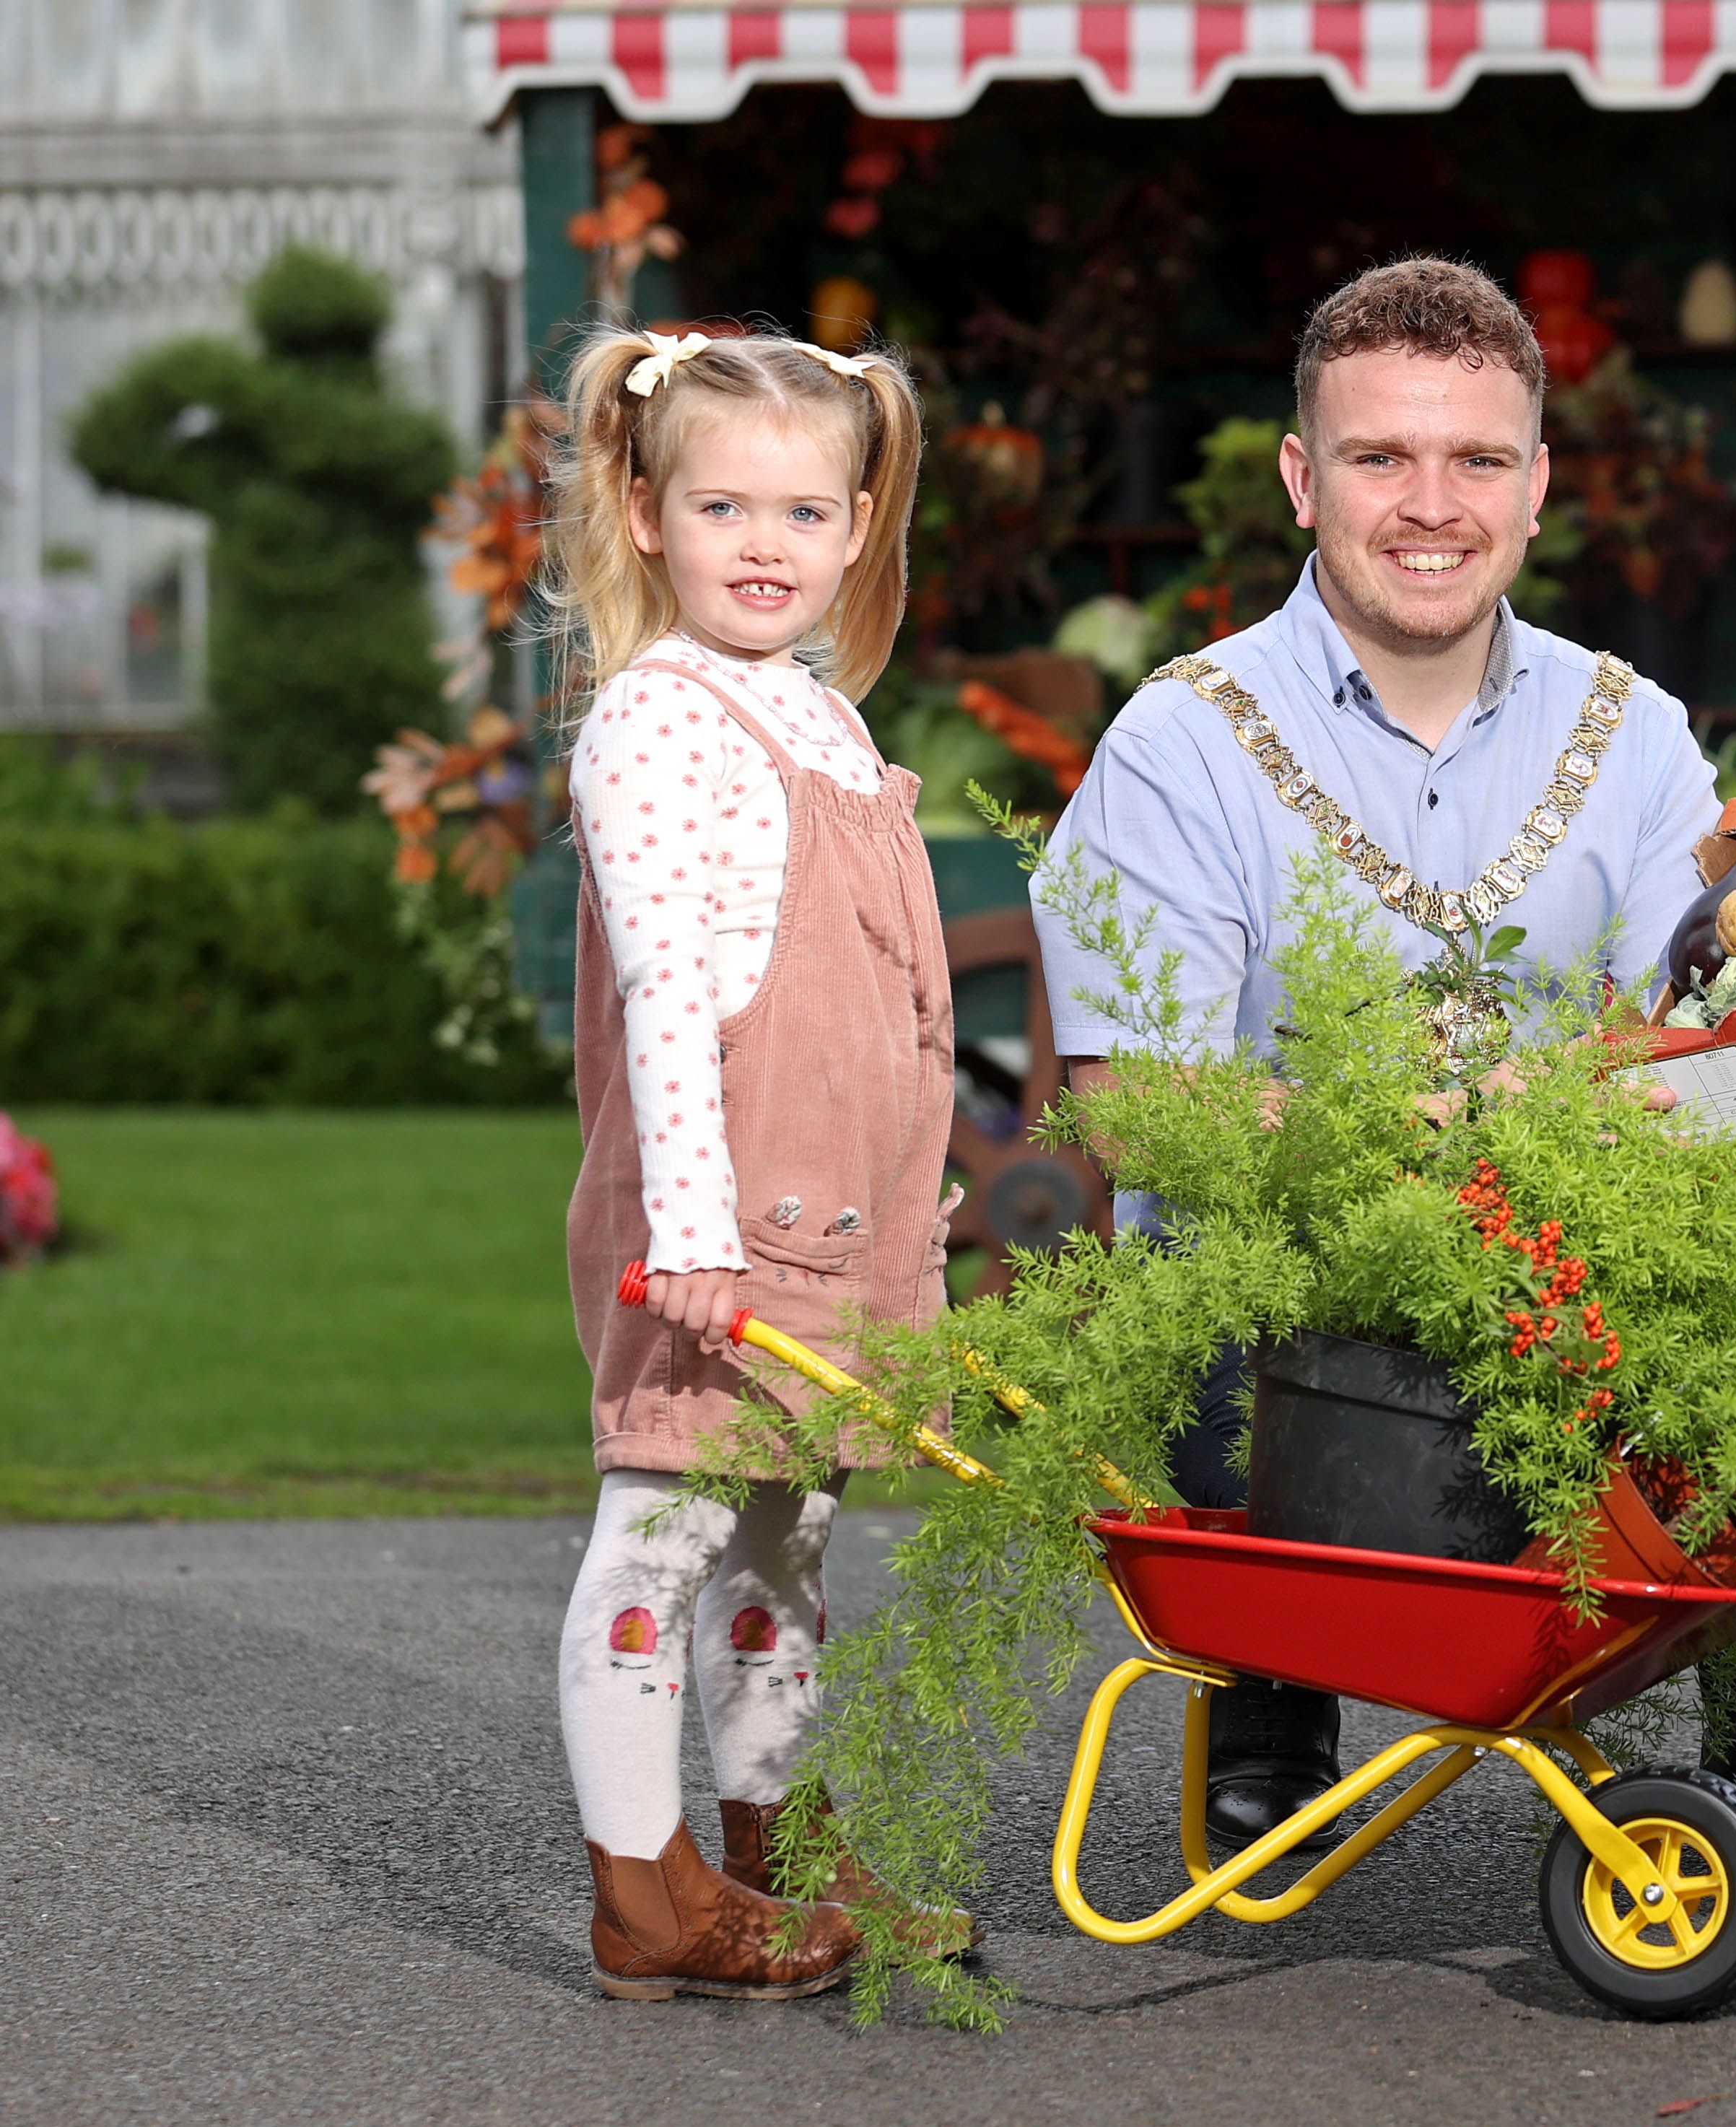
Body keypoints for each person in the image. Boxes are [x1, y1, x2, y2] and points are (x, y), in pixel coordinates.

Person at [1034, 258, 1736, 1890]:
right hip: (1299, 1275)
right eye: (1381, 457)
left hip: (1581, 1248)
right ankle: (1267, 1712)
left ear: (1537, 481)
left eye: (1477, 460)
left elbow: (1705, 1028)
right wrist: (1408, 1135)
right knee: (1243, 1273)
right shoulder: (1182, 740)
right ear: (1302, 477)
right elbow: (1135, 1108)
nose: (1432, 505)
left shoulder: (1628, 728)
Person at [545, 324, 951, 2000]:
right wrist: (697, 1232)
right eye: (724, 507)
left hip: (835, 1218)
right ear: (648, 515)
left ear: (858, 527)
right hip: (718, 1230)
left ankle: (778, 1842)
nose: (766, 544)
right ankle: (645, 1892)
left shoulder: (822, 718)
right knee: (665, 1528)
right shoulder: (657, 722)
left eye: (804, 511)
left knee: (786, 1542)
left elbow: (874, 995)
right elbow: (667, 993)